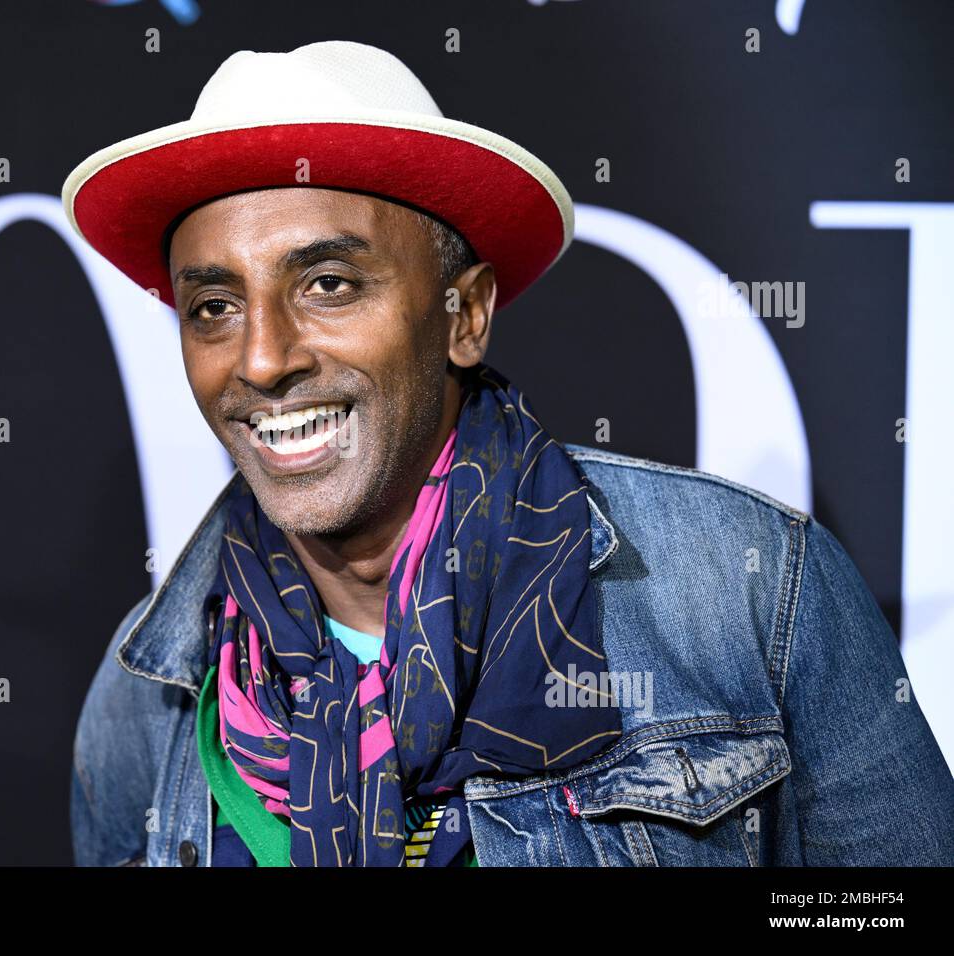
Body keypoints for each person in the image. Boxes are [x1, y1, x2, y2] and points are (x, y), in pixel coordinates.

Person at [63, 40, 954, 866]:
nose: (262, 358)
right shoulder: (146, 689)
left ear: (467, 314)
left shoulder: (749, 592)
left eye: (328, 284)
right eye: (214, 306)